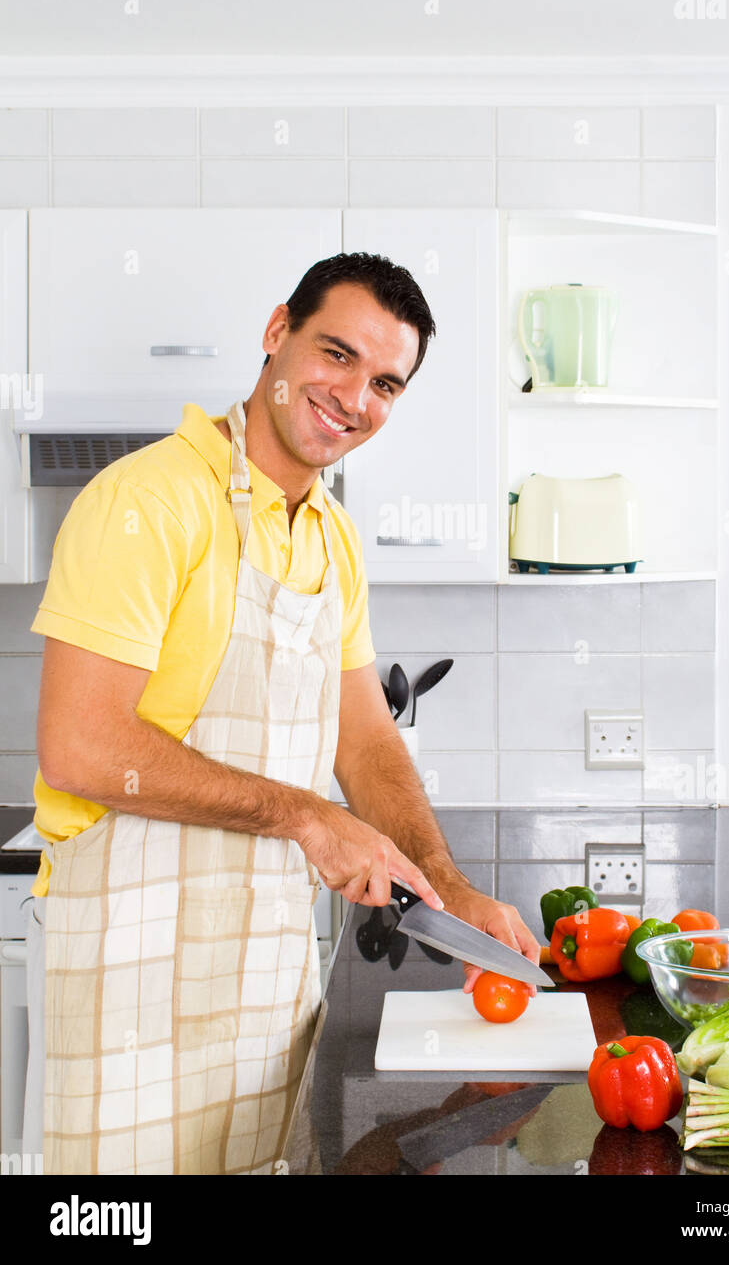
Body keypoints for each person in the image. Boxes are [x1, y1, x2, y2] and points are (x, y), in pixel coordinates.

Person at [24, 251, 539, 1176]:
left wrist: (444, 884)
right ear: (276, 334)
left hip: (263, 980)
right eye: (335, 354)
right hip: (128, 981)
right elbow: (80, 745)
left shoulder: (331, 537)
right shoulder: (147, 502)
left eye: (385, 381)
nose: (354, 396)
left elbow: (365, 738)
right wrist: (308, 815)